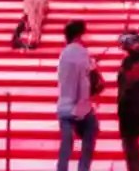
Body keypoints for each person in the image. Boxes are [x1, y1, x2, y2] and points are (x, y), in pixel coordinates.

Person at [56, 19, 98, 171]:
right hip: (79, 105)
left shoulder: (63, 54)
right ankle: (83, 168)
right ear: (79, 35)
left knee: (66, 145)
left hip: (63, 105)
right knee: (91, 131)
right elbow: (84, 82)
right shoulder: (81, 52)